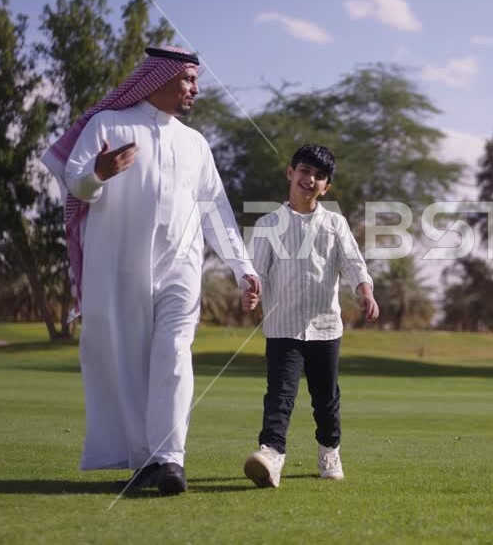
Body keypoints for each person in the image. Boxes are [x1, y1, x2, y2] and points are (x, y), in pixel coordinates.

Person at [41, 45, 260, 495]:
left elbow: (215, 211)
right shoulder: (107, 125)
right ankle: (146, 461)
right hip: (119, 267)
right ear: (159, 79)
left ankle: (171, 459)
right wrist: (98, 174)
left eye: (196, 81)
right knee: (130, 364)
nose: (195, 89)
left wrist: (243, 268)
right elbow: (75, 184)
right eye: (188, 80)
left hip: (181, 268)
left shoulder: (195, 143)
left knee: (175, 354)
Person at [241, 144, 379, 488]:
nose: (310, 179)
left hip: (325, 327)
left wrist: (365, 291)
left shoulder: (335, 224)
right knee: (280, 396)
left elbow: (353, 263)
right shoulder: (268, 224)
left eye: (319, 176)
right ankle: (271, 455)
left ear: (326, 187)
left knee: (326, 399)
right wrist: (251, 291)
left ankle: (329, 451)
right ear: (291, 173)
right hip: (283, 327)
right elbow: (256, 272)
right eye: (304, 171)